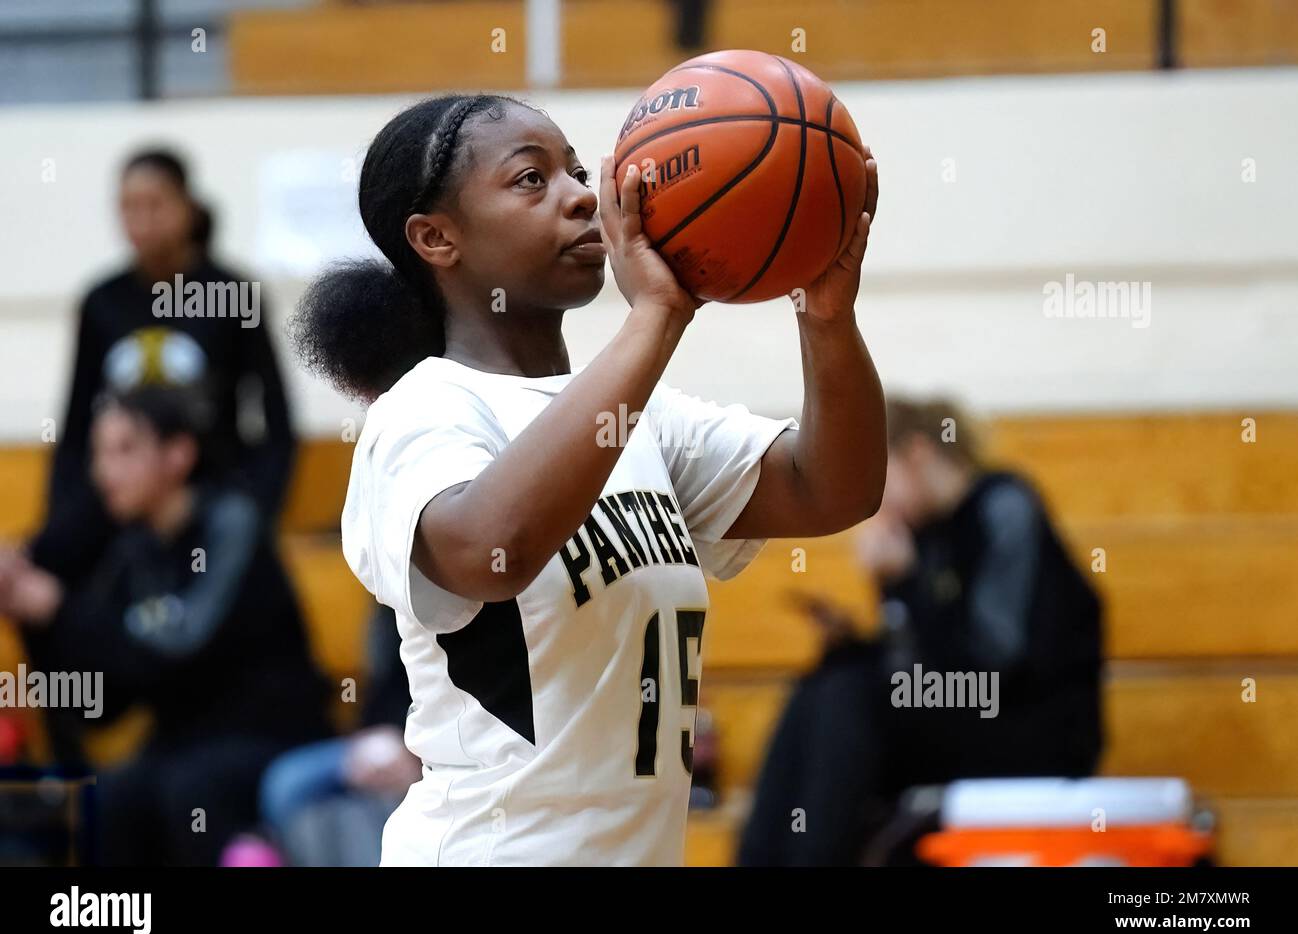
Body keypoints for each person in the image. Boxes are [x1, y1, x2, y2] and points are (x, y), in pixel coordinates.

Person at [290, 94, 885, 865]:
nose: (579, 194)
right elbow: (489, 551)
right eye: (530, 180)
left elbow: (832, 487)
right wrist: (659, 317)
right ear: (437, 237)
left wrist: (826, 315)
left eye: (576, 170)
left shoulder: (643, 416)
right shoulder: (423, 411)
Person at [737, 397, 1104, 866]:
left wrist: (903, 582)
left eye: (876, 473)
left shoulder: (1003, 506)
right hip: (968, 714)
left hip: (1032, 729)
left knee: (849, 696)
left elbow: (992, 662)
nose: (870, 498)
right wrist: (861, 635)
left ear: (916, 453)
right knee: (823, 685)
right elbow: (925, 658)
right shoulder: (927, 532)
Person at [0, 386, 330, 865]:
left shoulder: (231, 524)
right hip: (185, 744)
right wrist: (32, 618)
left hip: (271, 736)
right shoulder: (135, 549)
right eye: (99, 453)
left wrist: (58, 610)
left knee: (190, 791)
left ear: (178, 454)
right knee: (109, 798)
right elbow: (104, 704)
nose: (102, 471)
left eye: (124, 450)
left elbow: (178, 646)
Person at [30, 148, 296, 591]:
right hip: (123, 499)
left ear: (188, 208)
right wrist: (64, 511)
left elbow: (276, 416)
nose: (142, 220)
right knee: (41, 566)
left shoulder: (233, 293)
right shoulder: (102, 301)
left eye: (155, 204)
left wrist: (257, 505)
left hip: (207, 498)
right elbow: (77, 421)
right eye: (129, 207)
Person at [258, 604, 421, 867]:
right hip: (385, 732)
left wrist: (414, 747)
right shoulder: (396, 596)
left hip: (430, 740)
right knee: (287, 783)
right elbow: (385, 684)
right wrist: (374, 738)